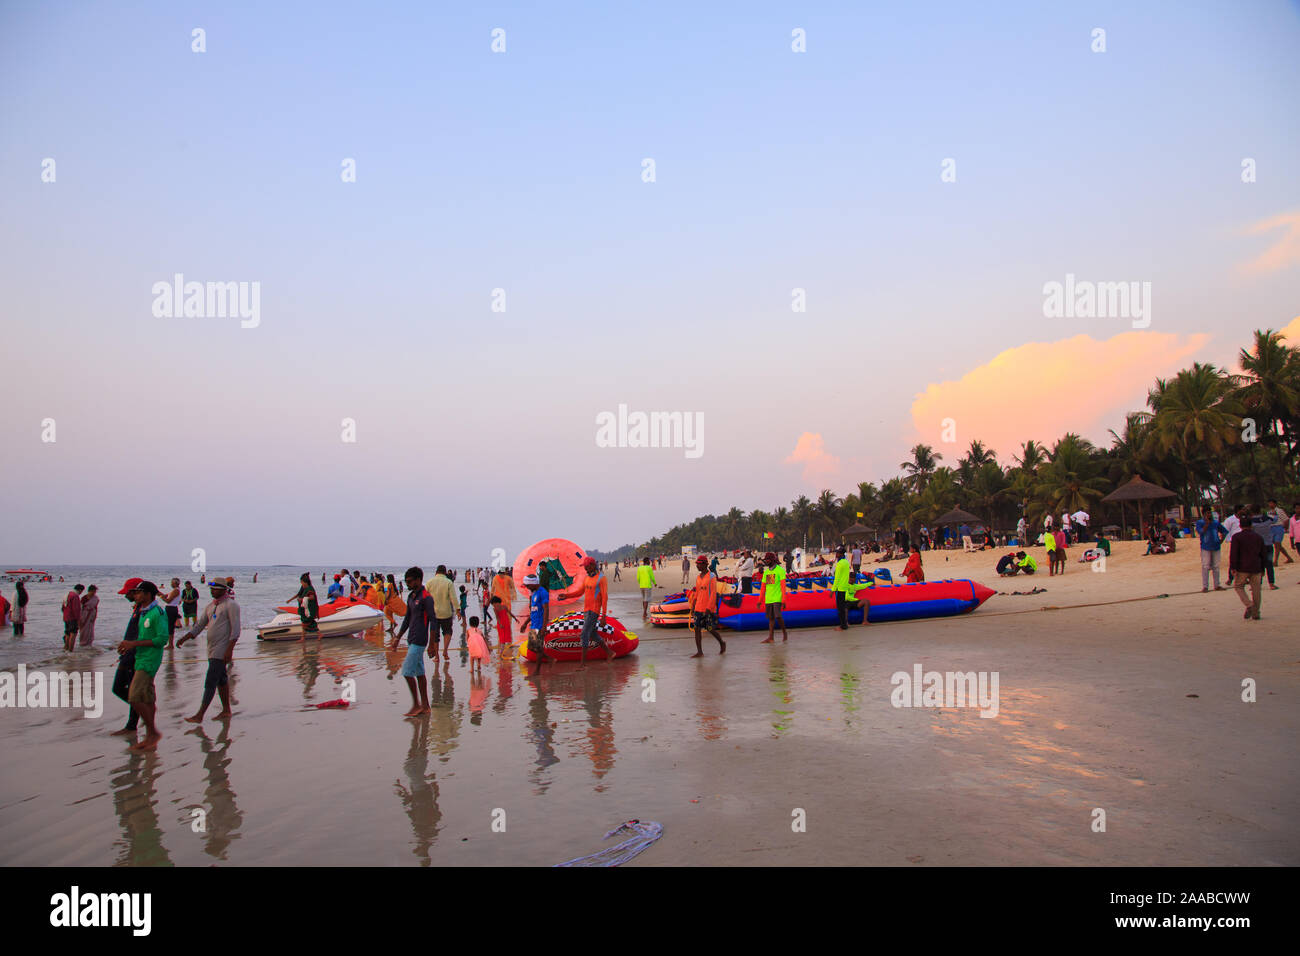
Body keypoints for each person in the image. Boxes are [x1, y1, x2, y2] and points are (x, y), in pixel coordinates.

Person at [175, 576, 241, 722]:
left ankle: (200, 715)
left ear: (223, 590)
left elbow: (236, 630)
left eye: (215, 588)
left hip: (221, 649)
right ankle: (226, 710)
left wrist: (229, 650)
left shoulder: (231, 605)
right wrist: (184, 638)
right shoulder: (210, 606)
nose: (212, 591)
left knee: (211, 680)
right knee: (222, 680)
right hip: (211, 648)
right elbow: (199, 625)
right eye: (211, 588)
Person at [117, 581, 168, 751]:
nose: (135, 596)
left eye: (138, 593)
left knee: (134, 696)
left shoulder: (156, 613)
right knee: (147, 698)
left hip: (149, 661)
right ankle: (150, 735)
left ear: (147, 594)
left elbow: (162, 639)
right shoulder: (143, 613)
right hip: (140, 658)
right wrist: (130, 645)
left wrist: (134, 644)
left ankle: (153, 732)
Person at [389, 566, 439, 717]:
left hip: (420, 640)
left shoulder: (426, 598)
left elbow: (433, 621)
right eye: (406, 581)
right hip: (411, 638)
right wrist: (398, 638)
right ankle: (425, 706)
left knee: (406, 672)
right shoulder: (411, 597)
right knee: (419, 673)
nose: (407, 584)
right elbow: (406, 619)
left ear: (418, 580)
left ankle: (416, 705)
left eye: (410, 581)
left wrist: (432, 644)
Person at [109, 578, 146, 737]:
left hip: (135, 655)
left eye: (128, 593)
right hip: (128, 653)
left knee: (124, 689)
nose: (126, 596)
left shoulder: (146, 611)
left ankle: (138, 719)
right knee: (124, 690)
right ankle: (141, 716)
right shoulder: (137, 608)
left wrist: (131, 647)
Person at [574, 556, 615, 668]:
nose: (585, 569)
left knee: (584, 634)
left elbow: (604, 598)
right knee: (592, 633)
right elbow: (579, 592)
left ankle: (582, 664)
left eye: (587, 567)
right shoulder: (587, 578)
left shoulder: (601, 578)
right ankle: (610, 653)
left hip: (594, 611)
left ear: (592, 565)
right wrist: (566, 595)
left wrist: (604, 616)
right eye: (585, 567)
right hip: (586, 611)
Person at [1228, 508, 1266, 620]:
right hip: (1256, 566)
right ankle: (1256, 613)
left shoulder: (1236, 537)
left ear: (1240, 526)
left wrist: (1233, 567)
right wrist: (1263, 568)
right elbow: (1263, 554)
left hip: (1242, 567)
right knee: (1256, 590)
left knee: (1238, 586)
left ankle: (1249, 605)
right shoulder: (1258, 537)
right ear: (1251, 525)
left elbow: (1234, 554)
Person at [687, 555, 726, 656]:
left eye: (699, 564)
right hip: (698, 607)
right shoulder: (698, 577)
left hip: (708, 608)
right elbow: (697, 591)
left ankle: (722, 643)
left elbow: (713, 593)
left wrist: (709, 608)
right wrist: (694, 602)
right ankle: (699, 652)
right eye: (697, 564)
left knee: (709, 628)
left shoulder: (712, 576)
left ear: (705, 564)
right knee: (697, 628)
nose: (697, 566)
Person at [517, 573, 553, 673]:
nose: (527, 588)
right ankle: (550, 659)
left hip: (540, 624)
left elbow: (546, 609)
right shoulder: (534, 593)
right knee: (532, 647)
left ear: (533, 583)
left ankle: (537, 671)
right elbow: (533, 611)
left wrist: (544, 627)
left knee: (538, 647)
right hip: (534, 623)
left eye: (528, 586)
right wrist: (525, 623)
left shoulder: (543, 592)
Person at [427, 566, 457, 658]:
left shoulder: (429, 582)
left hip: (433, 613)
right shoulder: (449, 582)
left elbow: (425, 597)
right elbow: (453, 598)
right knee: (447, 632)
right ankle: (445, 651)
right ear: (445, 573)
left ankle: (436, 656)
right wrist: (458, 609)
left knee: (436, 636)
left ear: (436, 572)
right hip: (446, 613)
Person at [759, 552, 788, 643]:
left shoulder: (780, 571)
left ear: (772, 560)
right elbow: (764, 587)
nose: (766, 561)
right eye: (765, 560)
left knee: (778, 616)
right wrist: (760, 600)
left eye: (767, 559)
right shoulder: (767, 572)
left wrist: (784, 599)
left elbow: (783, 586)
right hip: (769, 598)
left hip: (777, 598)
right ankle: (771, 638)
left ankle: (784, 633)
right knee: (771, 618)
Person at [1195, 511, 1228, 592]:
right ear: (1204, 514)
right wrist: (1206, 524)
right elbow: (1201, 532)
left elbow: (1224, 531)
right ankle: (1205, 586)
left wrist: (1221, 540)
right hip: (1205, 547)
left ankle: (1217, 585)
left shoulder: (1216, 523)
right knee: (1205, 566)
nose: (1209, 515)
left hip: (1216, 546)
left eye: (1210, 513)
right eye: (1207, 513)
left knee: (1216, 566)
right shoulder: (1200, 523)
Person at [491, 568, 518, 657]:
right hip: (501, 600)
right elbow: (512, 588)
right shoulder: (500, 578)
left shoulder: (505, 579)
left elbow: (512, 588)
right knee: (504, 618)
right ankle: (505, 641)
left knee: (506, 618)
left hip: (504, 600)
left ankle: (505, 641)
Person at [289, 573, 321, 641]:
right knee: (309, 623)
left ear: (305, 582)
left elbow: (312, 597)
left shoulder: (310, 588)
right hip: (305, 609)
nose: (301, 584)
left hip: (309, 610)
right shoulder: (305, 588)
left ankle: (303, 637)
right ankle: (318, 634)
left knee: (305, 622)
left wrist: (302, 599)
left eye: (302, 582)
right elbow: (300, 595)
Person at [831, 546, 852, 630]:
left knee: (840, 609)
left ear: (841, 554)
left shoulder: (840, 563)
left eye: (837, 553)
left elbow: (837, 578)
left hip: (840, 588)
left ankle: (843, 626)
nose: (836, 554)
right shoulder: (846, 562)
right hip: (845, 587)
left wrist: (833, 590)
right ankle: (844, 624)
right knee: (843, 608)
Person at [160, 577, 182, 648]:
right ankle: (169, 643)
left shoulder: (176, 590)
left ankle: (170, 644)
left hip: (171, 608)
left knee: (170, 627)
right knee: (169, 626)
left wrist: (162, 598)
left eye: (171, 583)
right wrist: (161, 594)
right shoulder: (176, 590)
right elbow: (166, 595)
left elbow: (168, 600)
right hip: (172, 608)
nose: (171, 584)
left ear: (175, 583)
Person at [62, 583, 83, 651]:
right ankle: (70, 650)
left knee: (67, 633)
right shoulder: (75, 596)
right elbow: (76, 609)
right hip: (72, 618)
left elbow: (63, 607)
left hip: (66, 617)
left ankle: (66, 648)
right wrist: (78, 619)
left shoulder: (67, 594)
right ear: (80, 590)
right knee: (73, 634)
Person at [636, 556, 657, 620]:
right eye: (649, 561)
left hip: (641, 586)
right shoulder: (649, 568)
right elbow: (652, 577)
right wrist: (655, 583)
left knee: (644, 599)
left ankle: (645, 613)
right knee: (646, 600)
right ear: (646, 561)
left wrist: (640, 583)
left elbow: (638, 578)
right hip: (647, 585)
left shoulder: (639, 568)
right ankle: (644, 613)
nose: (650, 562)